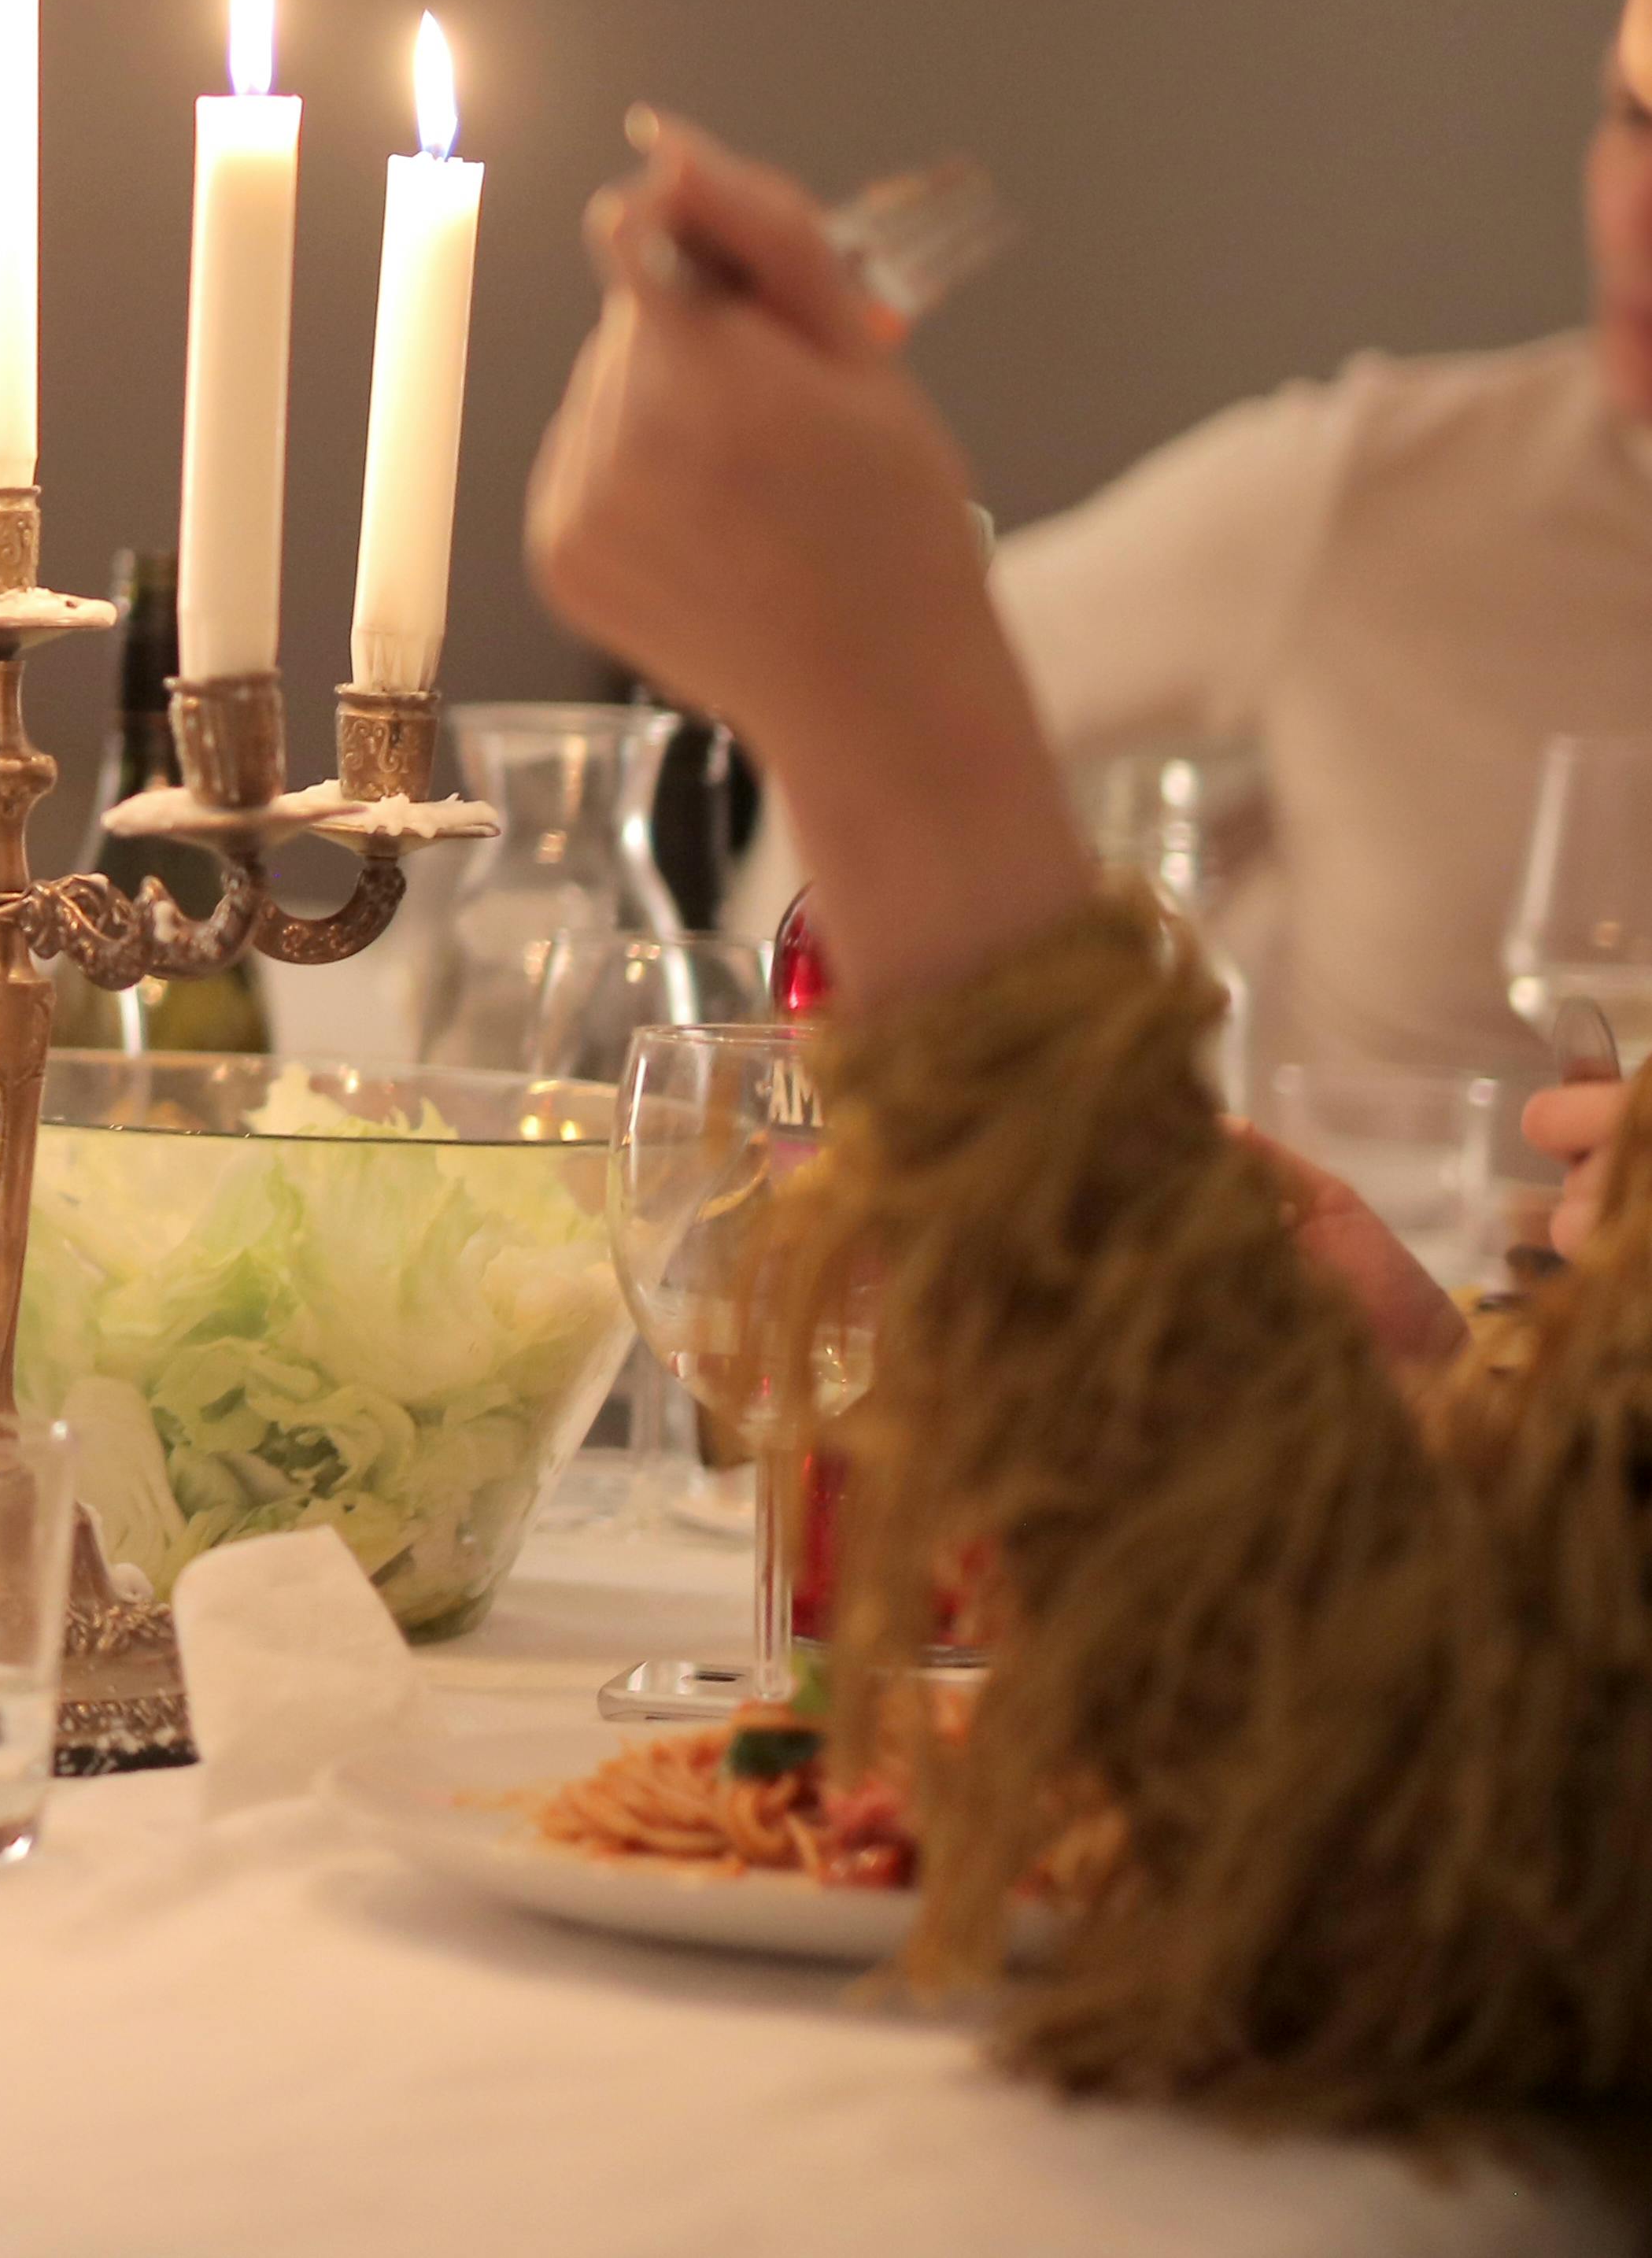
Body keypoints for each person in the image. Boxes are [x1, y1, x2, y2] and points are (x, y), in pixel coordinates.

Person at [531, 106, 1645, 2126]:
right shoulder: (1390, 487)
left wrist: (896, 722)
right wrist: (1453, 1391)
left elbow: (1490, 1882)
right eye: (1642, 102)